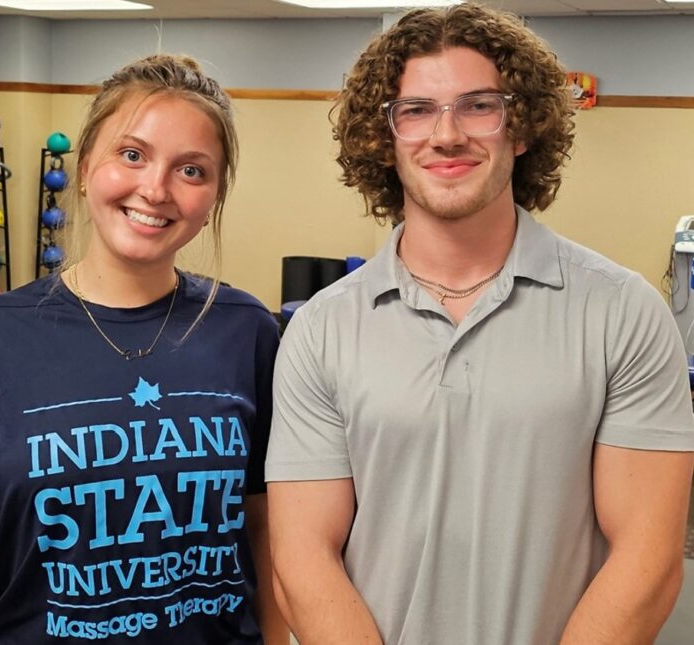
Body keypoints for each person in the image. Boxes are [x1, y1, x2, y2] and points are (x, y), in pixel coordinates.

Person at [265, 5, 694, 645]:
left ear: (521, 129)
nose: (447, 134)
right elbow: (303, 563)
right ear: (385, 138)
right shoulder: (321, 330)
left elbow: (647, 562)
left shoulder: (623, 312)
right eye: (416, 110)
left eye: (479, 106)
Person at [0, 54, 287, 644]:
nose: (156, 189)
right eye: (132, 154)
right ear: (86, 166)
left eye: (191, 170)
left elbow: (266, 530)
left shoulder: (246, 331)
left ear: (214, 198)